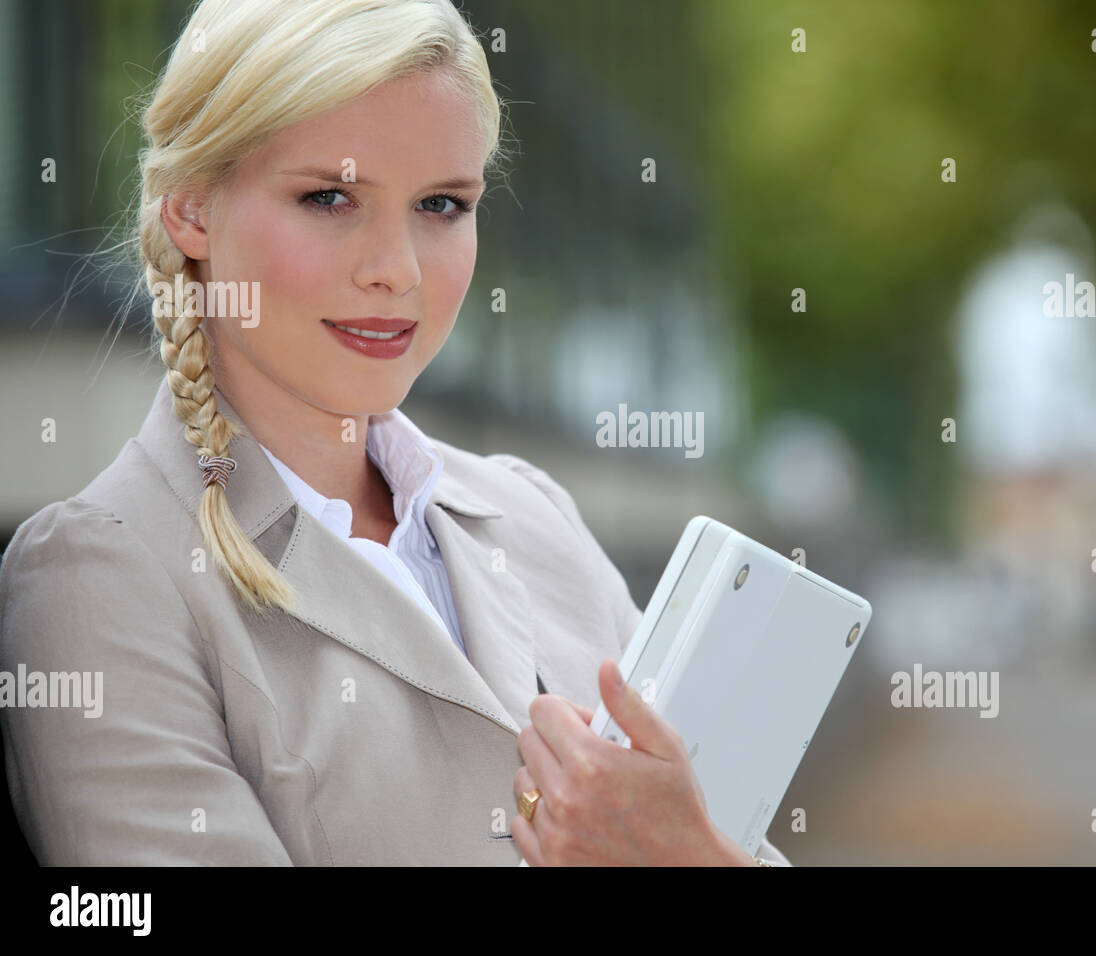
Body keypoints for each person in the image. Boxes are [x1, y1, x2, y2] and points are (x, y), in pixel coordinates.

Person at [0, 0, 791, 866]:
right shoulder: (101, 574)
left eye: (443, 205)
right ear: (189, 208)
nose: (397, 270)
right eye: (330, 197)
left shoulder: (532, 516)